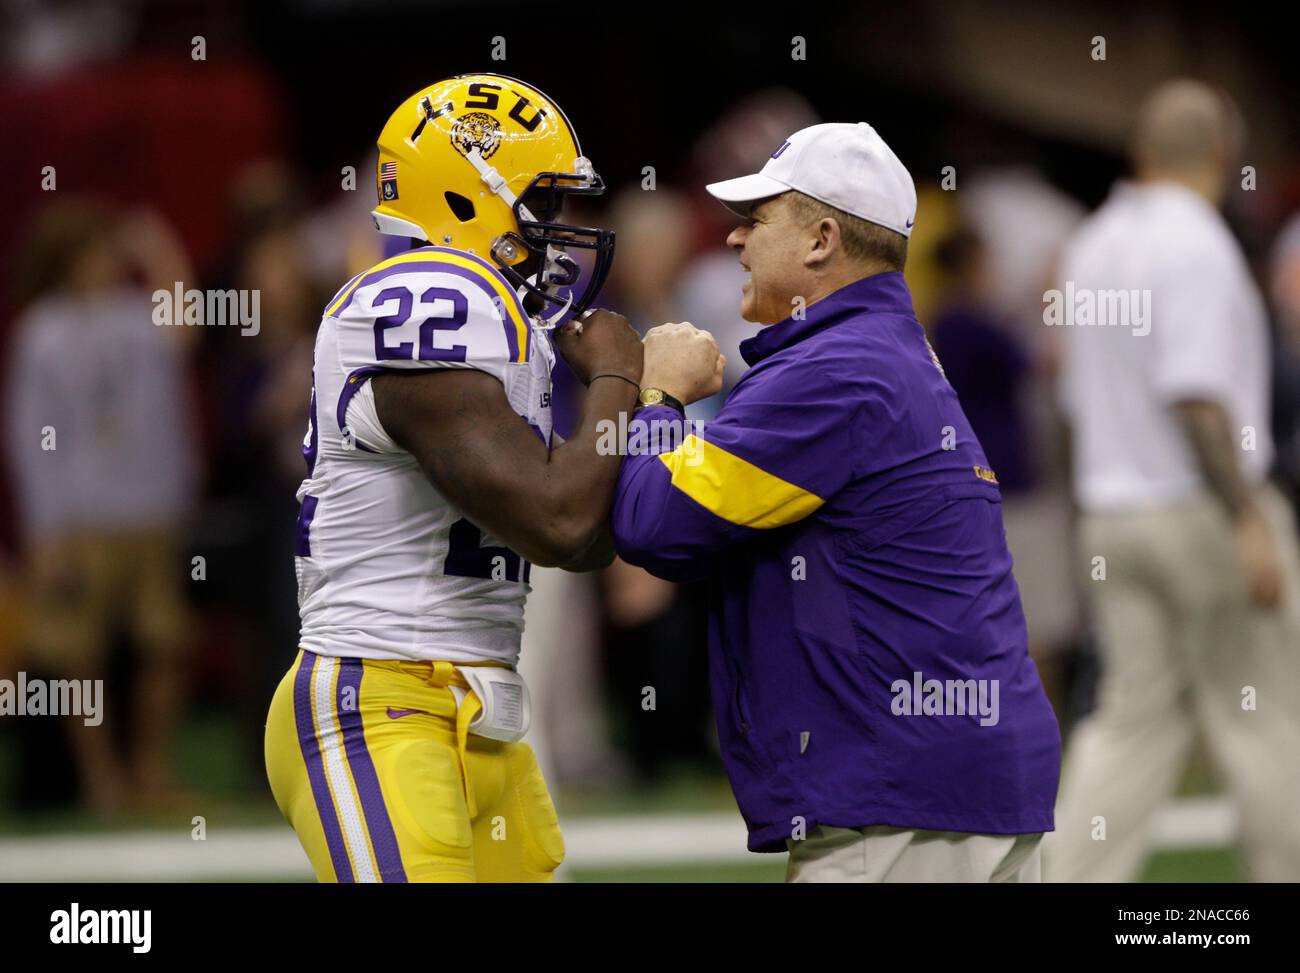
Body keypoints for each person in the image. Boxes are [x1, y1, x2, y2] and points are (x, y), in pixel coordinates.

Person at [262, 73, 699, 883]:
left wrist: (654, 404)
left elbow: (585, 541)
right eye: (545, 204)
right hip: (382, 701)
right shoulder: (427, 295)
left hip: (482, 708)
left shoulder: (496, 312)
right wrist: (625, 383)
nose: (561, 230)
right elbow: (559, 520)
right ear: (468, 198)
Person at [611, 122, 1062, 882]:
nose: (734, 241)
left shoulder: (836, 367)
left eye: (757, 220)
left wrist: (659, 396)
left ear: (821, 239)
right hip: (951, 784)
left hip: (901, 798)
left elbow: (655, 525)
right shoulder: (885, 348)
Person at [1048, 79, 1300, 882]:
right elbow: (1195, 397)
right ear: (1225, 155)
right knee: (1262, 713)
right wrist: (1249, 518)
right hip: (1198, 505)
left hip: (1111, 514)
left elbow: (1069, 394)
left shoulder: (1090, 243)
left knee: (1130, 722)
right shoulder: (1199, 244)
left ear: (1140, 152)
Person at [5, 200, 198, 814]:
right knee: (79, 655)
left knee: (165, 642)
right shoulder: (42, 332)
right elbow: (29, 434)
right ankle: (103, 783)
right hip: (84, 519)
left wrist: (157, 245)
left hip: (151, 511)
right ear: (66, 260)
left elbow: (186, 325)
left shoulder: (136, 318)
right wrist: (44, 531)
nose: (106, 261)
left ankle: (148, 770)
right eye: (95, 251)